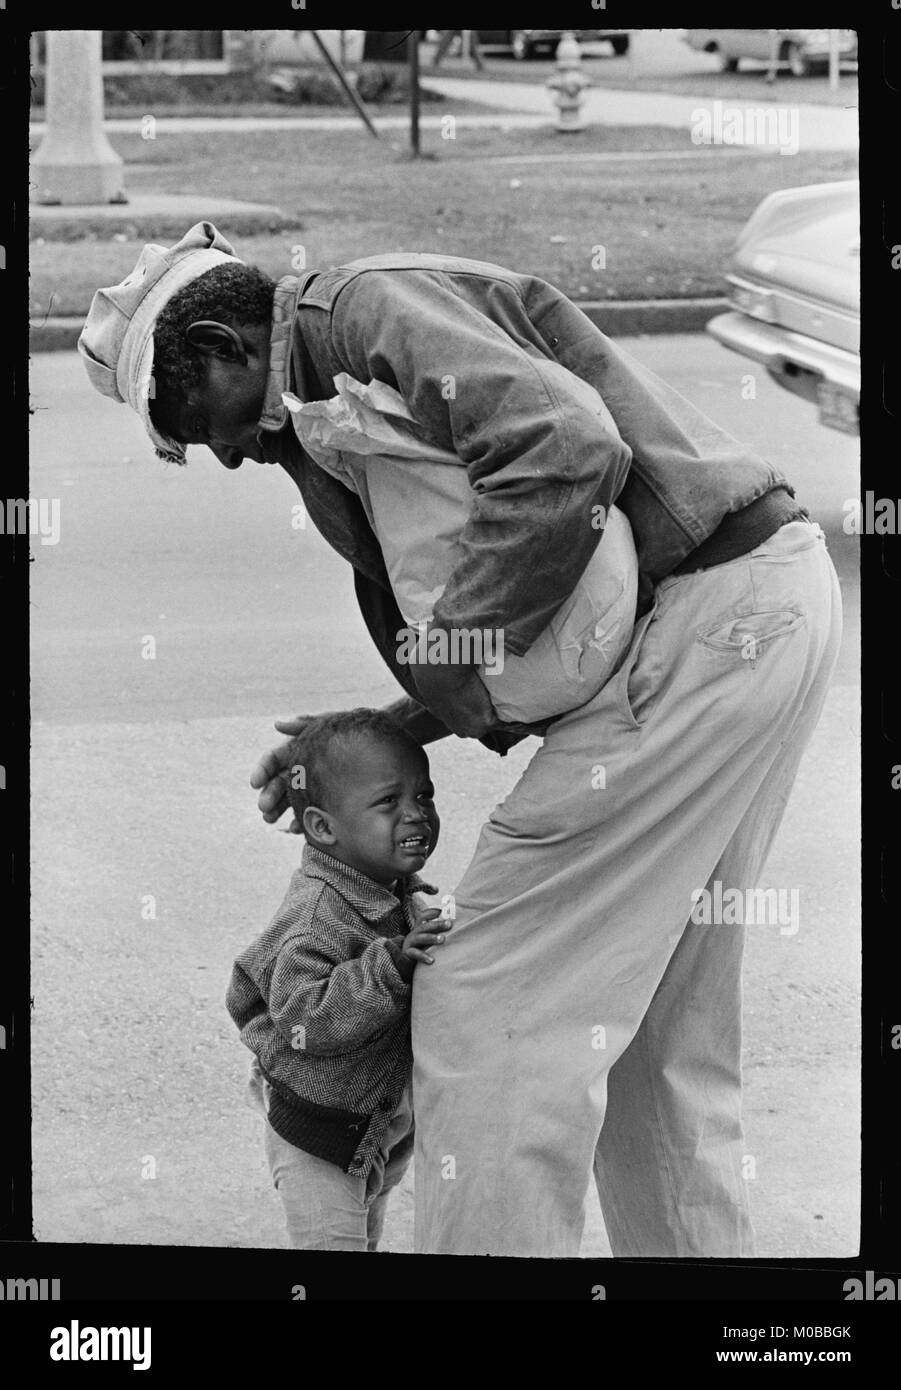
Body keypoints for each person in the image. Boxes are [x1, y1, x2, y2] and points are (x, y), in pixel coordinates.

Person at [78, 223, 843, 1257]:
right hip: (759, 606)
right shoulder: (329, 358)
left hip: (711, 627)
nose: (216, 450)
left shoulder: (357, 313)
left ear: (221, 344)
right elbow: (533, 579)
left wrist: (447, 641)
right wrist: (397, 724)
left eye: (188, 418)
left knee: (489, 1008)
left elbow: (564, 450)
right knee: (655, 1035)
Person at [225, 708, 447, 1251]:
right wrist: (389, 966)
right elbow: (307, 1018)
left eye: (424, 796)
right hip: (320, 1140)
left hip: (375, 1130)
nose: (416, 815)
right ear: (324, 827)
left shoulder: (393, 887)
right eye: (388, 802)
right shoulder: (316, 916)